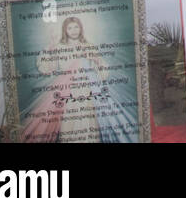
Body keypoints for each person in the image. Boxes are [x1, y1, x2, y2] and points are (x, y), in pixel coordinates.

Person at [21, 14, 138, 142]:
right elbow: (46, 68)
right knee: (69, 122)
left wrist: (96, 61)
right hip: (66, 90)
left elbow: (103, 69)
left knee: (87, 121)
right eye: (70, 28)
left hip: (85, 89)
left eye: (76, 27)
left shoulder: (88, 46)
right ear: (65, 30)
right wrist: (50, 47)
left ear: (81, 28)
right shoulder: (59, 47)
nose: (74, 30)